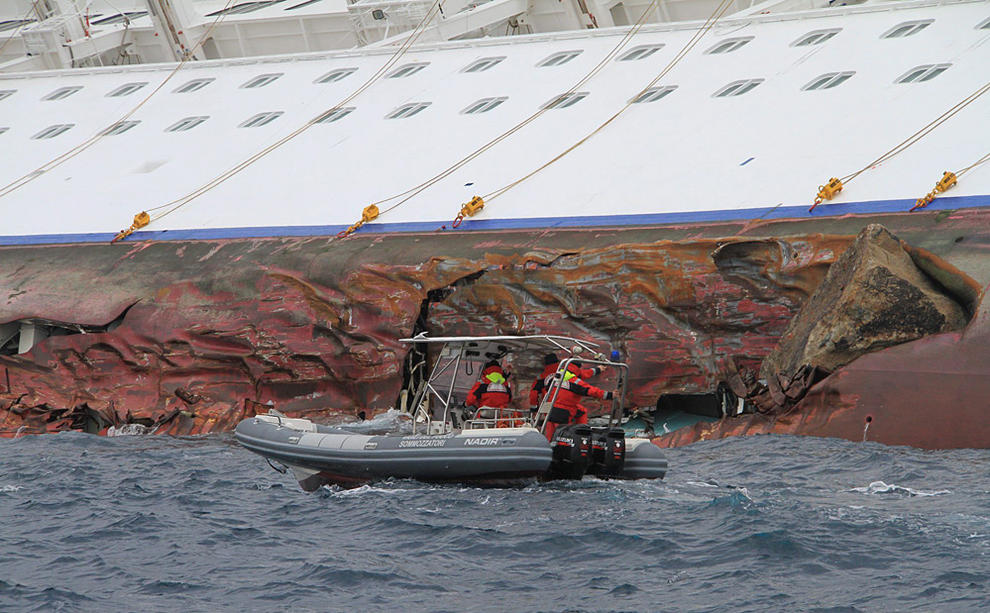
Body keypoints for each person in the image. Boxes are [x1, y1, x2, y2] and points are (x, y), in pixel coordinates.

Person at [537, 360, 613, 441]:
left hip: (549, 408)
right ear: (578, 368)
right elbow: (590, 390)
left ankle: (548, 443)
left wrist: (598, 369)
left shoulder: (556, 376)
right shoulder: (575, 381)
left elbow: (584, 373)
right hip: (565, 411)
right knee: (565, 431)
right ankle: (582, 434)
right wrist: (609, 395)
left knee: (550, 431)